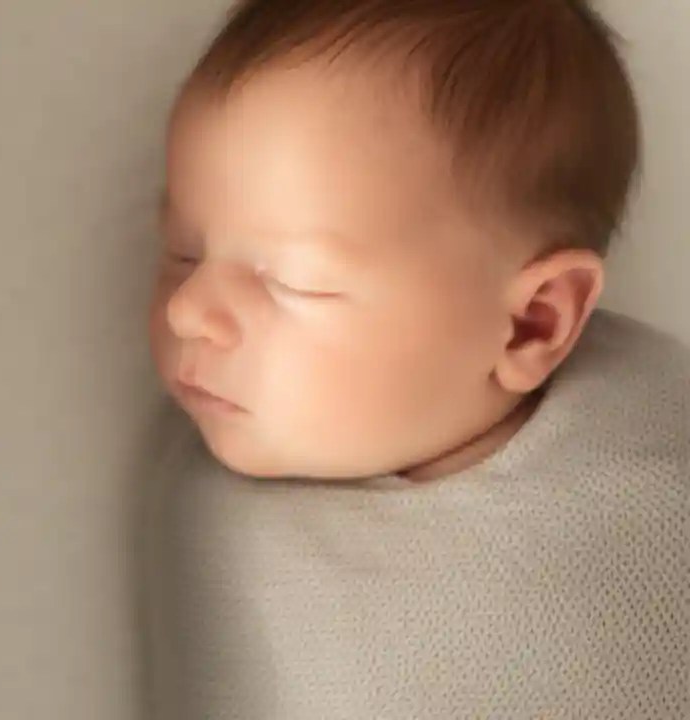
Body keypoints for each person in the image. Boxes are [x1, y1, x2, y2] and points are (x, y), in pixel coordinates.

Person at [142, 1, 690, 716]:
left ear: (532, 322)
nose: (188, 310)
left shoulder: (654, 443)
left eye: (296, 280)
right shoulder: (232, 545)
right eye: (182, 255)